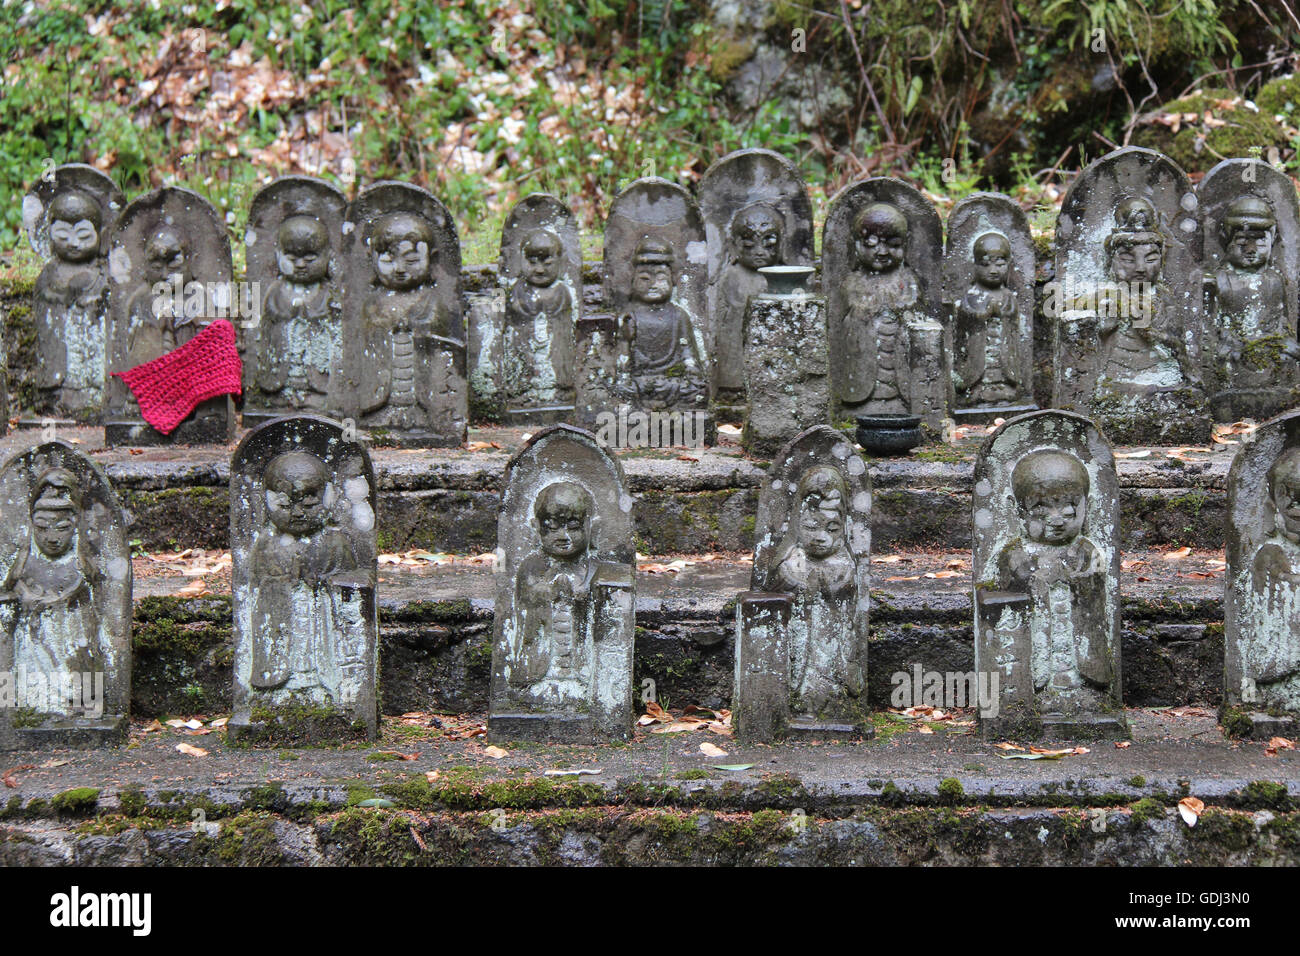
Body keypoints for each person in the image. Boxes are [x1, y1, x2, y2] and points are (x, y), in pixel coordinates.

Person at [988, 450, 1110, 714]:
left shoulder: (1086, 551)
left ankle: (1078, 691)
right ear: (1018, 510)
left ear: (1086, 505)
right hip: (1039, 635)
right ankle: (1033, 691)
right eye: (1040, 510)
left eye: (1068, 509)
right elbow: (1008, 592)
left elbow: (1095, 588)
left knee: (1072, 660)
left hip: (1074, 631)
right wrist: (1034, 581)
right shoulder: (1015, 553)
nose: (1056, 520)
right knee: (1038, 664)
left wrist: (1075, 580)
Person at [249, 451, 358, 695]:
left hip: (319, 617)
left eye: (309, 503)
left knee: (314, 650)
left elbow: (353, 588)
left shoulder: (335, 541)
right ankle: (280, 685)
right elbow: (255, 587)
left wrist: (323, 584)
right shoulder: (266, 544)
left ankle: (323, 685)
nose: (298, 513)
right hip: (284, 617)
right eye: (286, 504)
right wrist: (282, 583)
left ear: (329, 498)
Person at [0, 468, 101, 716]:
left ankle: (78, 705)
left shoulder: (80, 564)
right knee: (30, 686)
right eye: (42, 527)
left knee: (78, 681)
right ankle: (27, 706)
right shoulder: (24, 561)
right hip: (32, 647)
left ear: (75, 525)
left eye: (62, 527)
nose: (52, 537)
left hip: (71, 642)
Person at [769, 465, 862, 719]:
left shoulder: (843, 564)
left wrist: (828, 580)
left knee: (831, 679)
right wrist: (793, 578)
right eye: (812, 526)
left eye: (832, 529)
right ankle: (797, 702)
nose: (821, 537)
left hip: (831, 640)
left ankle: (835, 704)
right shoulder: (792, 561)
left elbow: (845, 593)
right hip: (801, 640)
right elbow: (776, 589)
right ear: (798, 523)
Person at [510, 482, 596, 700]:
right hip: (544, 654)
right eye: (552, 527)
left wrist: (582, 593)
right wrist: (549, 590)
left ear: (589, 526)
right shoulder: (531, 565)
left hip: (577, 653)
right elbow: (526, 598)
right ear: (536, 526)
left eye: (573, 526)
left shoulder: (592, 566)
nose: (563, 536)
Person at [833, 202, 920, 414]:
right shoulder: (853, 282)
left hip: (898, 366)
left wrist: (903, 312)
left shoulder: (908, 281)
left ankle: (900, 400)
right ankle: (860, 402)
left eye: (893, 244)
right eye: (871, 244)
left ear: (905, 244)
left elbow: (917, 316)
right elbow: (840, 323)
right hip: (864, 362)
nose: (882, 252)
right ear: (856, 244)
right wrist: (860, 314)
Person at [32, 189, 109, 415]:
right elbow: (45, 305)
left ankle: (97, 398)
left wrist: (95, 299)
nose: (73, 243)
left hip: (92, 349)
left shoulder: (102, 272)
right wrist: (63, 298)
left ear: (99, 235)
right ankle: (55, 400)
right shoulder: (49, 273)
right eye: (63, 236)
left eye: (83, 236)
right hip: (62, 349)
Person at [255, 214, 340, 412]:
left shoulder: (329, 292)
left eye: (310, 258)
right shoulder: (276, 290)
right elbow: (268, 328)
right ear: (278, 255)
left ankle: (313, 395)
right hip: (283, 363)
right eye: (292, 259)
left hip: (316, 369)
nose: (301, 265)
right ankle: (283, 394)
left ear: (328, 255)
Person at [617, 235, 707, 408]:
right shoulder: (629, 317)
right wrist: (633, 381)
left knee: (698, 392)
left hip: (671, 383)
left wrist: (689, 379)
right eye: (644, 278)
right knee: (620, 391)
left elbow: (689, 358)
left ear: (672, 281)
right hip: (641, 383)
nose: (652, 285)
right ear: (633, 280)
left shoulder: (679, 316)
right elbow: (623, 362)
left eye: (660, 279)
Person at [712, 202, 784, 396]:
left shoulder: (781, 277)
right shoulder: (732, 276)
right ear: (735, 244)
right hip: (737, 341)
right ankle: (734, 387)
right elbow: (726, 320)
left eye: (768, 243)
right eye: (750, 244)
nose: (759, 251)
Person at [504, 228, 574, 408]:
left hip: (553, 346)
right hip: (525, 346)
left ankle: (557, 390)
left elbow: (563, 328)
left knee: (556, 360)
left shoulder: (561, 291)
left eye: (548, 263)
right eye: (532, 262)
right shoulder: (517, 290)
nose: (540, 270)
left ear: (560, 262)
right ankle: (524, 390)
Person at [954, 231, 1022, 407]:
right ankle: (978, 388)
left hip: (1001, 349)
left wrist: (1004, 314)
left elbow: (1013, 320)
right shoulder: (972, 295)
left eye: (1000, 264)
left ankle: (1003, 387)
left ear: (1008, 265)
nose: (993, 270)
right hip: (979, 351)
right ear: (975, 265)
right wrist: (980, 316)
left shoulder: (1008, 295)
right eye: (985, 264)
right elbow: (964, 320)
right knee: (978, 382)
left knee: (1002, 373)